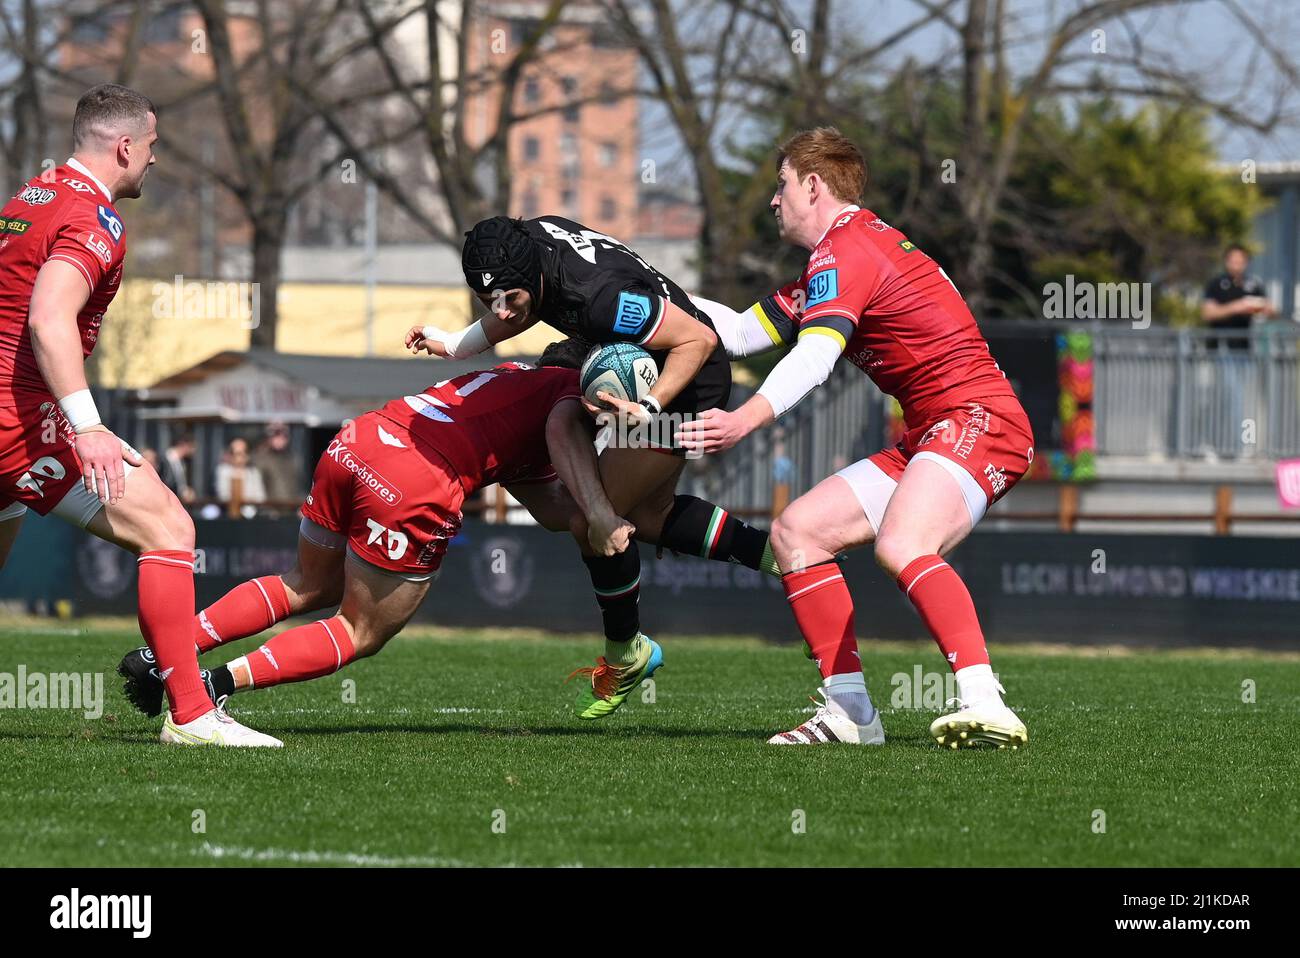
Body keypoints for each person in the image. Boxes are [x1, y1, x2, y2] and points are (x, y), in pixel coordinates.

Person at [681, 127, 1033, 749]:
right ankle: (850, 715)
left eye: (782, 183)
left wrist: (748, 417)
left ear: (813, 185)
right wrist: (637, 284)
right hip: (935, 429)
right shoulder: (836, 260)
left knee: (903, 545)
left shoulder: (846, 253)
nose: (773, 200)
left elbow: (816, 359)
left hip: (980, 419)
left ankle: (986, 701)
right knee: (798, 533)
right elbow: (736, 333)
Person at [116, 348, 631, 722]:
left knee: (306, 583)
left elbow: (549, 509)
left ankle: (163, 655)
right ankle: (209, 684)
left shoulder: (515, 378)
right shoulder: (567, 403)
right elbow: (569, 497)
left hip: (360, 438)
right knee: (360, 630)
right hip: (415, 478)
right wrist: (616, 510)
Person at [409, 215, 781, 720]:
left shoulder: (598, 297)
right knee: (643, 516)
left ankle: (627, 654)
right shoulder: (523, 245)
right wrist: (455, 343)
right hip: (614, 350)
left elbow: (698, 341)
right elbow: (510, 306)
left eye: (512, 301)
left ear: (534, 278)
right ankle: (785, 558)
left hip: (681, 377)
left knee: (593, 519)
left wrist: (648, 406)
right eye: (490, 302)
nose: (503, 314)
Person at [0, 83, 276, 746]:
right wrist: (87, 426)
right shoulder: (94, 220)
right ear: (125, 146)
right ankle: (190, 713)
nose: (153, 160)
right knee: (168, 530)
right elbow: (48, 318)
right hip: (20, 419)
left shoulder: (30, 196)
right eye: (150, 146)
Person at [1201, 244, 1275, 457]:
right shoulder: (1217, 284)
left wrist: (1263, 308)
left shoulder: (1254, 284)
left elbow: (1271, 310)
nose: (1237, 264)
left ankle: (1245, 446)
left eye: (1241, 260)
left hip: (1245, 351)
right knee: (1229, 397)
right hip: (1222, 350)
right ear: (1226, 262)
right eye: (1233, 260)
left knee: (1245, 401)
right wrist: (1236, 307)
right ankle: (1217, 445)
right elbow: (1208, 313)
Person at [253, 421, 300, 511]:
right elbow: (257, 489)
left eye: (284, 435)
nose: (280, 438)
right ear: (268, 438)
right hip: (268, 512)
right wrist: (264, 509)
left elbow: (297, 487)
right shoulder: (260, 459)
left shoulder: (292, 459)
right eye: (275, 435)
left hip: (291, 510)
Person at [214, 436, 266, 515]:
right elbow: (223, 495)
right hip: (226, 511)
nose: (238, 457)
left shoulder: (253, 472)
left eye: (241, 453)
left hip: (251, 511)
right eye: (234, 453)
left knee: (249, 511)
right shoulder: (222, 470)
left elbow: (260, 497)